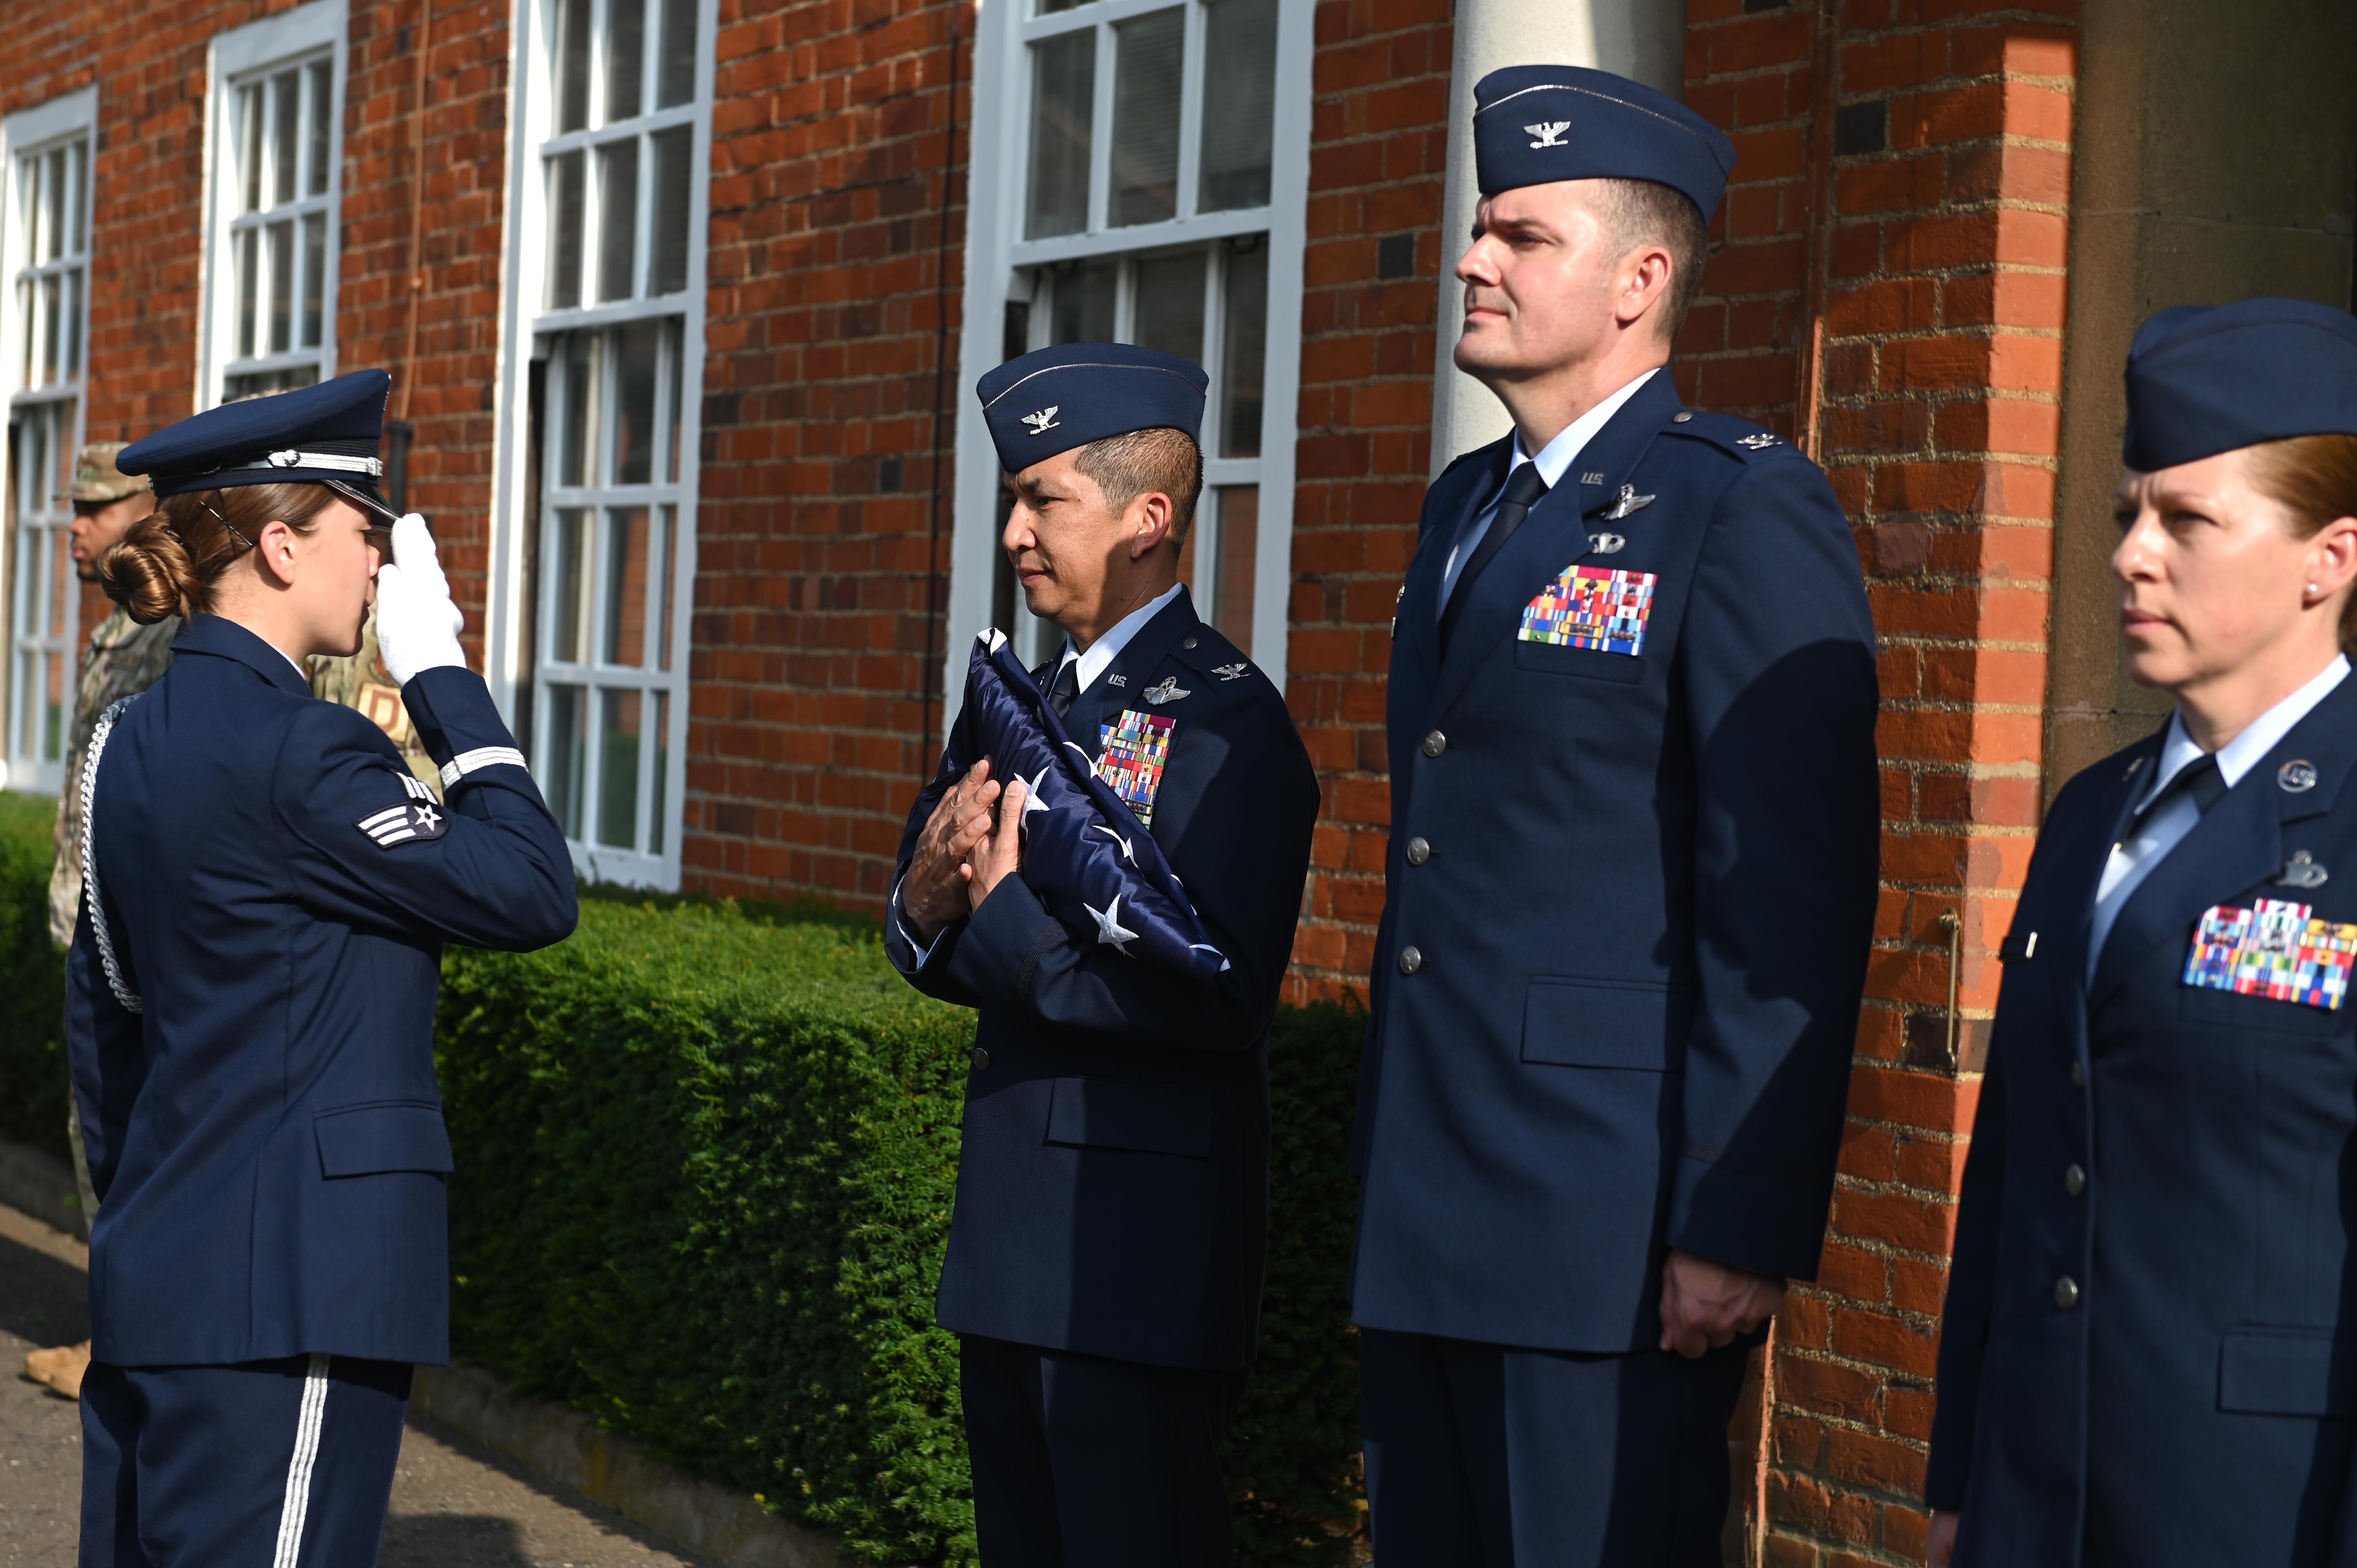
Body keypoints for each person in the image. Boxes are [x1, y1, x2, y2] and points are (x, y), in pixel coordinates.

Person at [1350, 65, 1882, 1562]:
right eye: (1479, 228)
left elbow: (1790, 880)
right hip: (1431, 1198)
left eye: (1522, 235)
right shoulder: (1466, 506)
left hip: (1610, 1221)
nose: (1473, 257)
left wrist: (1739, 1212)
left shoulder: (1737, 504)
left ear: (1641, 278)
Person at [67, 369, 577, 1568]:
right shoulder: (309, 750)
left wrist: (150, 1234)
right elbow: (530, 889)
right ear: (284, 546)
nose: (385, 567)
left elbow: (108, 1035)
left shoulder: (121, 743)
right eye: (369, 534)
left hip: (166, 1273)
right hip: (289, 1291)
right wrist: (445, 673)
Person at [1927, 299, 2357, 1567]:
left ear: (2327, 558)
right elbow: (2009, 1173)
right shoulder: (2087, 817)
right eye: (2126, 514)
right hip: (2039, 1501)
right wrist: (1963, 1477)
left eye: (2187, 520)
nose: (2131, 555)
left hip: (2253, 1507)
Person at [884, 342, 1320, 1566]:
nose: (1016, 529)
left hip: (1131, 1268)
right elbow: (935, 905)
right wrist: (925, 896)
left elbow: (1218, 1003)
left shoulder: (1231, 723)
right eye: (1013, 498)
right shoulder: (1036, 705)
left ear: (1148, 517)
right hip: (1014, 1251)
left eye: (1044, 498)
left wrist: (1006, 913)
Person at [23, 443, 165, 1402]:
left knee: (127, 1144)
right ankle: (113, 1330)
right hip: (95, 931)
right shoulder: (118, 627)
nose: (75, 528)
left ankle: (129, 1349)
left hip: (134, 945)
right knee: (97, 1141)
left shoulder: (165, 631)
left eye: (95, 509)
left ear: (145, 513)